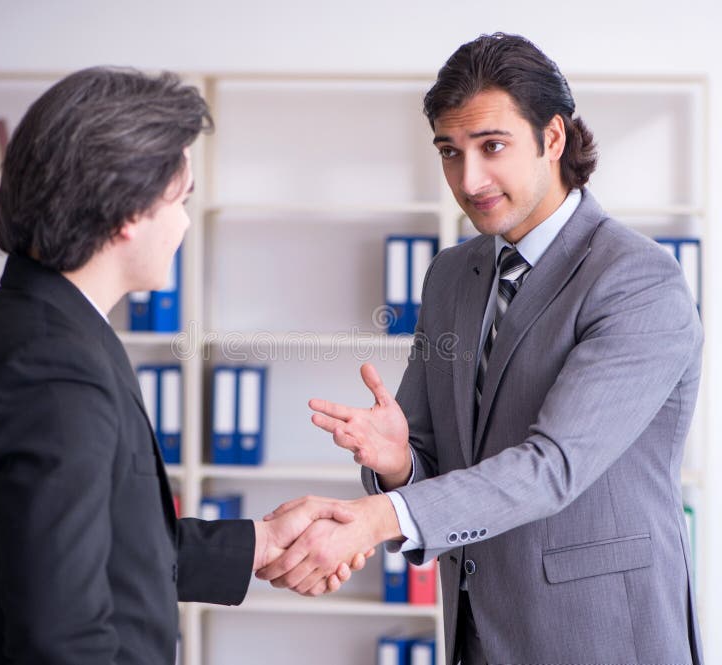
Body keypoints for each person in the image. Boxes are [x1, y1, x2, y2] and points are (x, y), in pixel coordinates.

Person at [258, 33, 704, 664]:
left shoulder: (636, 279)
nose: (468, 179)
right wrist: (395, 466)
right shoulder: (451, 275)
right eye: (450, 152)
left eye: (492, 146)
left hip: (601, 636)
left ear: (553, 139)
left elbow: (553, 467)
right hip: (477, 632)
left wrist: (377, 518)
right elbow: (434, 456)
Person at [0, 67, 365, 665]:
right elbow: (62, 640)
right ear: (128, 213)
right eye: (179, 201)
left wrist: (257, 543)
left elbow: (94, 553)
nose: (183, 222)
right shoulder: (51, 369)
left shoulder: (6, 334)